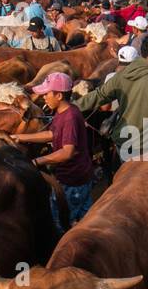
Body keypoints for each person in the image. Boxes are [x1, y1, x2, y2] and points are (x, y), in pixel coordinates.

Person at [76, 35, 148, 159]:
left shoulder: (121, 75)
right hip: (147, 148)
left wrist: (73, 106)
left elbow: (99, 95)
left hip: (123, 142)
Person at [12, 71, 93, 227]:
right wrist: (21, 137)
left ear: (59, 96)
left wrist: (36, 162)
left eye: (46, 93)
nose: (43, 97)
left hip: (72, 180)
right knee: (85, 219)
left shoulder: (70, 117)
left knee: (61, 223)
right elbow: (52, 134)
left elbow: (67, 151)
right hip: (79, 176)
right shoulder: (64, 111)